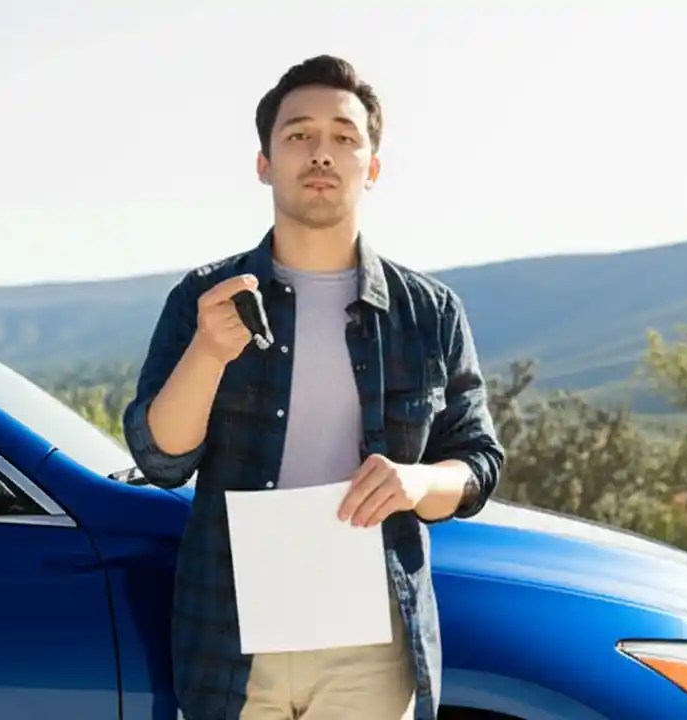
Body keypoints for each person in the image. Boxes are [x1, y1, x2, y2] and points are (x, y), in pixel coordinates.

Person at [121, 55, 505, 720]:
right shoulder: (204, 298)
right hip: (232, 633)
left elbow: (478, 464)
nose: (321, 152)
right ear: (265, 162)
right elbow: (161, 459)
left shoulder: (429, 313)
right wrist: (210, 352)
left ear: (372, 167)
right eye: (298, 135)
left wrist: (415, 484)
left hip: (372, 640)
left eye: (344, 138)